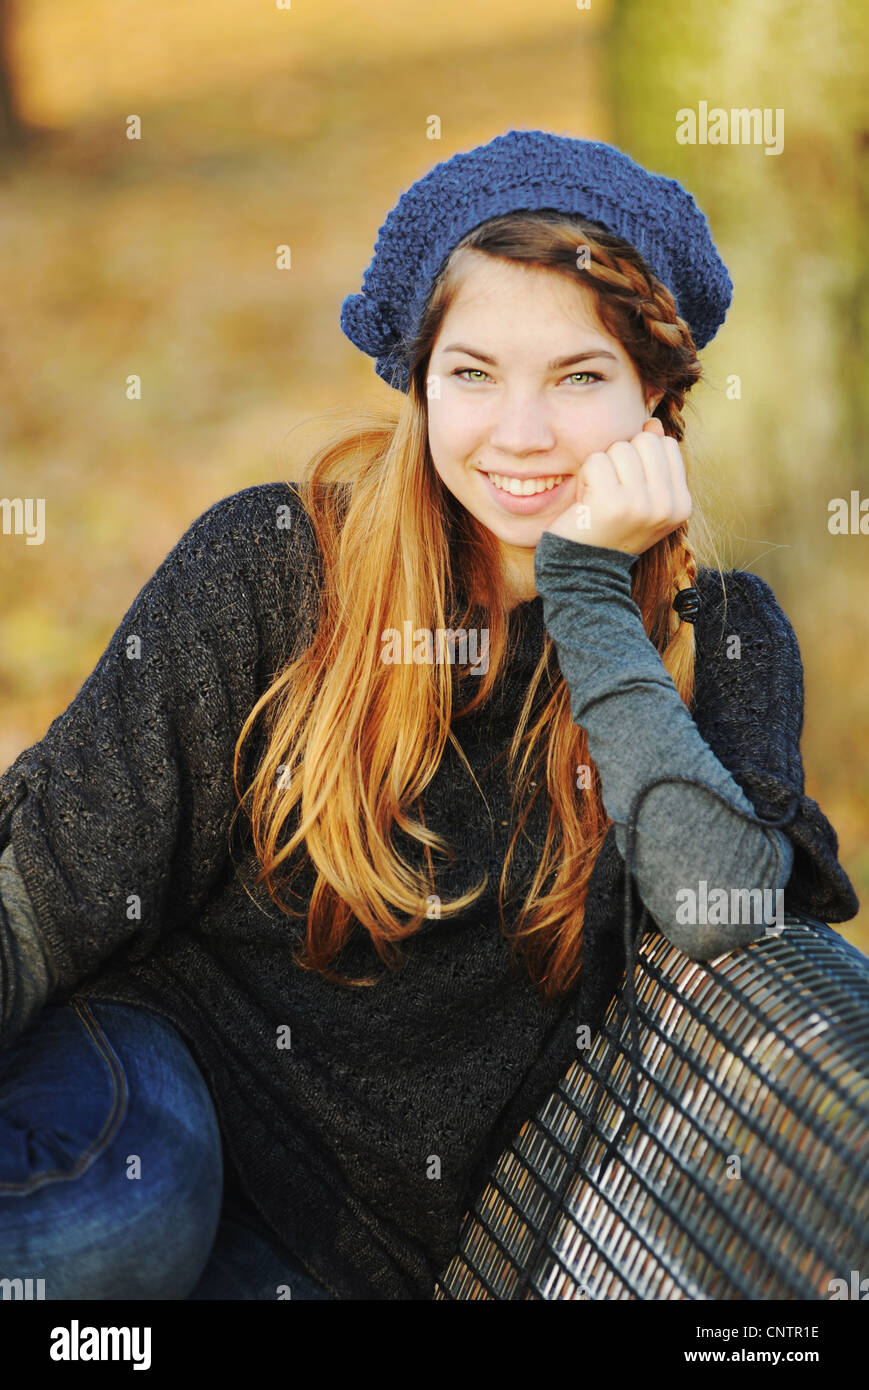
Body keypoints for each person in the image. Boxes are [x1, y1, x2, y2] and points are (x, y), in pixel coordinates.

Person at [0, 129, 858, 1302]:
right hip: (162, 1074)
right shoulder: (277, 563)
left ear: (657, 394)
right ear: (416, 379)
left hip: (352, 1247)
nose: (518, 433)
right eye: (471, 372)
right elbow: (49, 893)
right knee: (104, 1234)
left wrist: (592, 600)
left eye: (578, 376)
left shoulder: (726, 637)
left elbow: (717, 908)